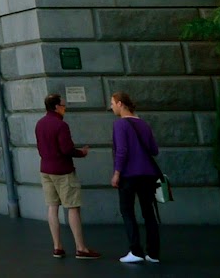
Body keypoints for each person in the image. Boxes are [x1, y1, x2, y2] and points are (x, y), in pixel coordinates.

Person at [37, 93, 99, 260]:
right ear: (56, 107)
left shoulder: (40, 123)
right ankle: (81, 248)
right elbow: (67, 149)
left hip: (45, 169)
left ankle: (57, 247)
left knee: (52, 207)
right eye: (63, 105)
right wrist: (82, 153)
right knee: (72, 207)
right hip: (63, 171)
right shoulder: (61, 125)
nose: (65, 108)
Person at [110, 92, 163, 265]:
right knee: (149, 213)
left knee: (127, 211)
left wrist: (117, 173)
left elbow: (122, 151)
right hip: (147, 174)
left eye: (112, 103)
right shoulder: (144, 124)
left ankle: (136, 251)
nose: (111, 107)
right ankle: (153, 253)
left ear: (120, 104)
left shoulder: (120, 125)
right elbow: (154, 150)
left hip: (128, 174)